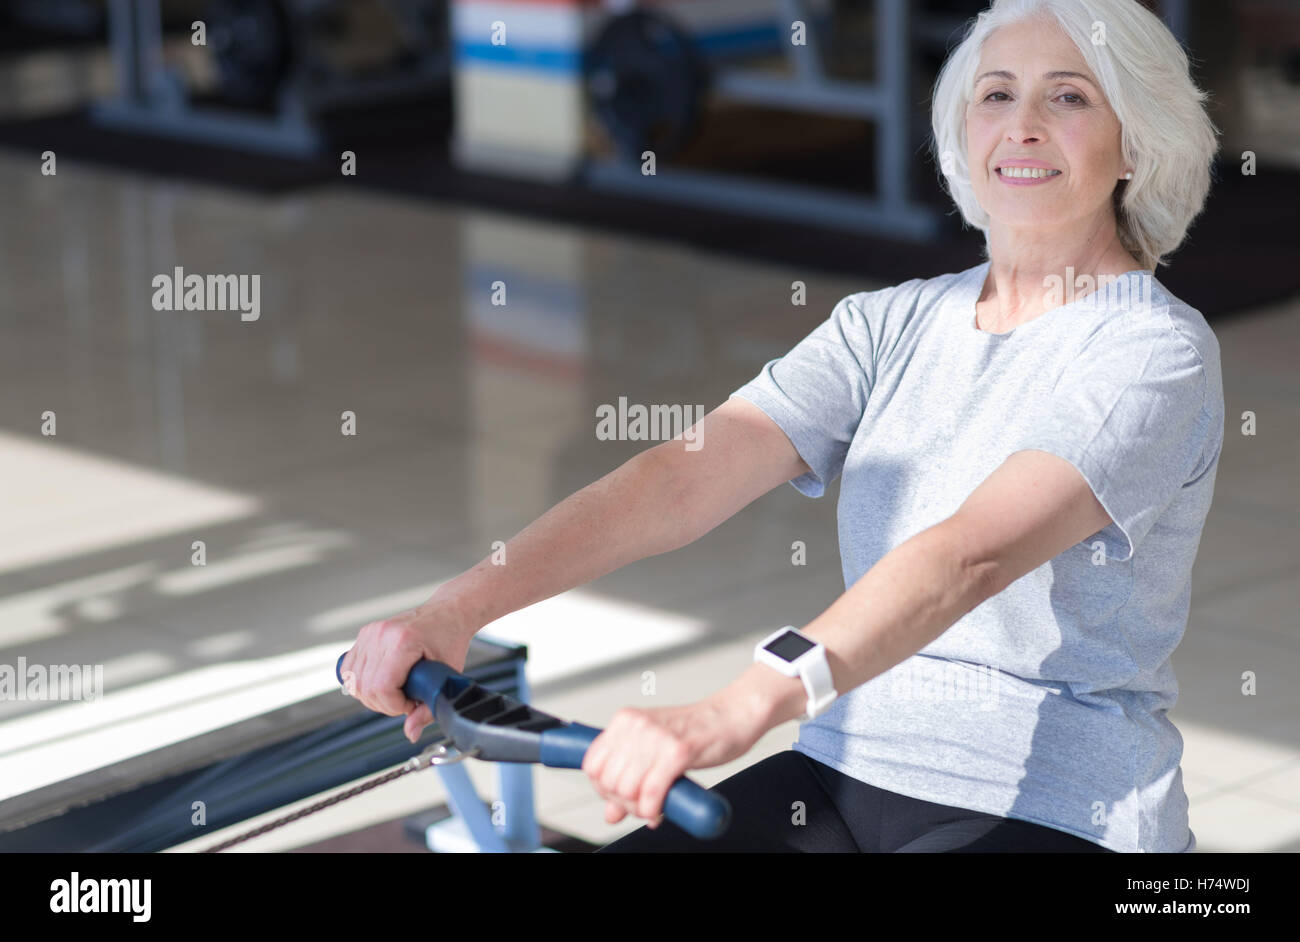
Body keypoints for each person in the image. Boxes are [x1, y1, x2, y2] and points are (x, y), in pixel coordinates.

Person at [340, 0, 1222, 853]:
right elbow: (680, 480)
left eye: (1068, 96)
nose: (1022, 124)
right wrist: (454, 609)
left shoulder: (1153, 351)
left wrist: (738, 706)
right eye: (996, 94)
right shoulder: (890, 323)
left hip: (1063, 803)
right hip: (843, 770)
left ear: (1135, 145)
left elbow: (970, 556)